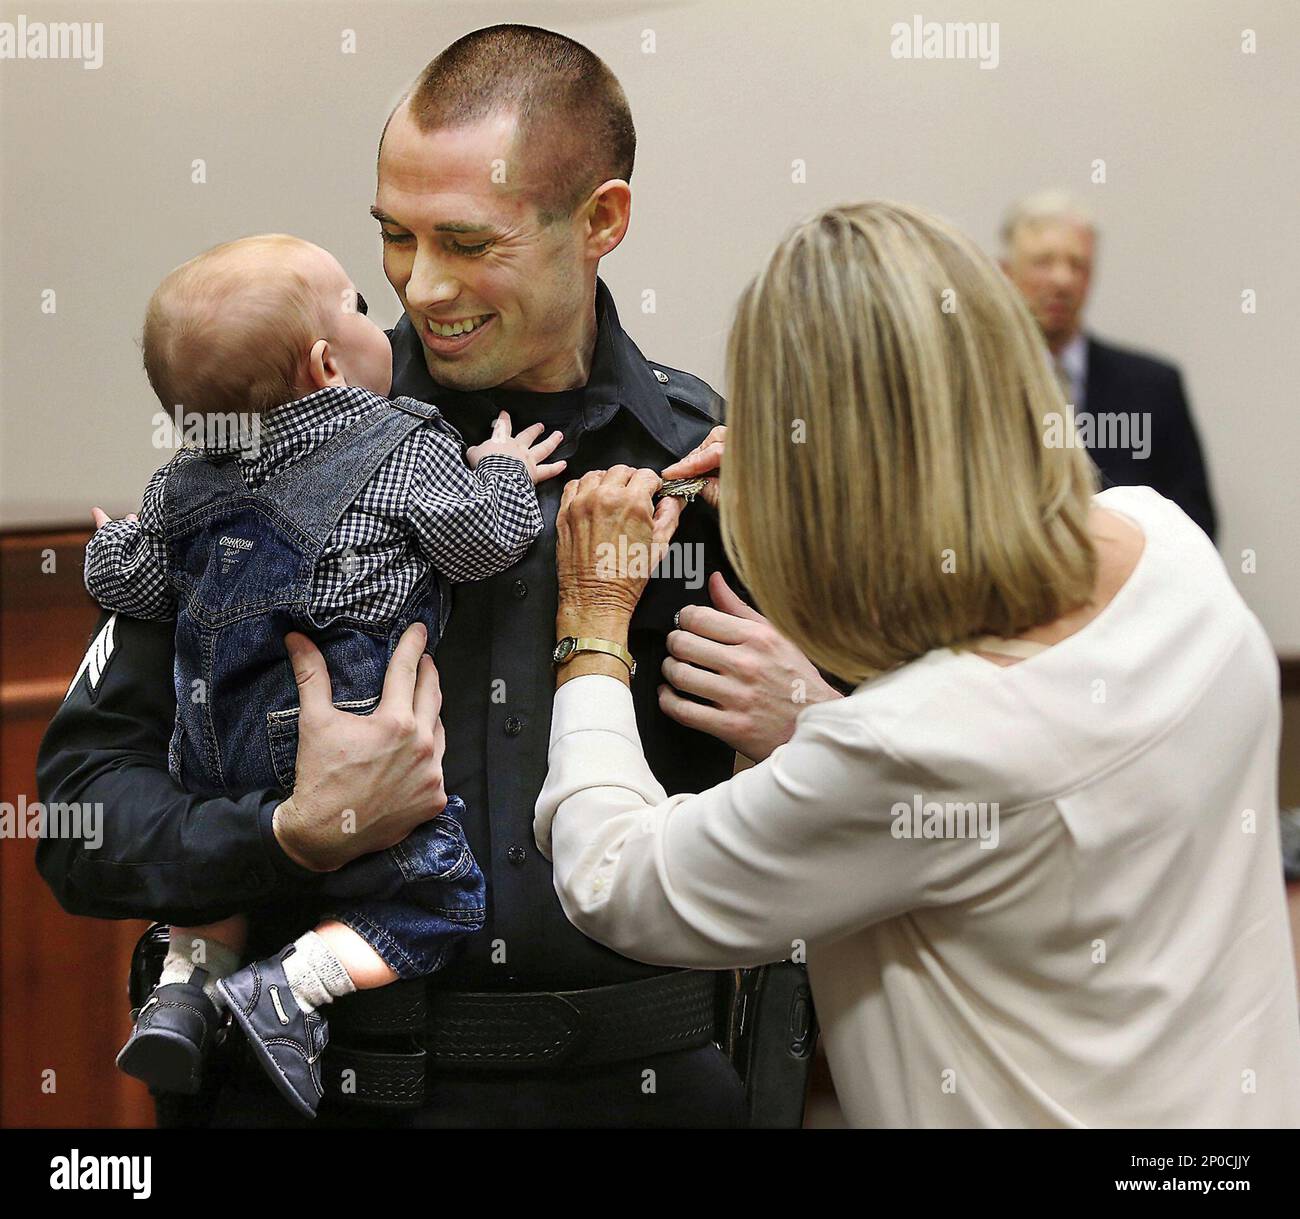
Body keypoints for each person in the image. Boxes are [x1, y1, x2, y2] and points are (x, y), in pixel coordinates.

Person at [38, 25, 822, 1127]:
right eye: (394, 238)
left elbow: (901, 797)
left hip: (640, 1092)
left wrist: (815, 719)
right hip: (316, 1089)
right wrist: (284, 835)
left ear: (600, 220)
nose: (420, 284)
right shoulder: (248, 446)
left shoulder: (715, 464)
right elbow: (79, 815)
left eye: (466, 240)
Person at [535, 201, 1300, 1127]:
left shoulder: (913, 749)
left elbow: (617, 878)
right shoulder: (1171, 550)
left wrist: (594, 627)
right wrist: (820, 707)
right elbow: (1035, 786)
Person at [83, 233, 564, 1117]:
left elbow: (133, 584)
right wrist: (501, 472)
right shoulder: (399, 444)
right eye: (360, 304)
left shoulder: (178, 485)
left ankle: (183, 992)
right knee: (438, 900)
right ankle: (290, 992)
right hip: (344, 746)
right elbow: (483, 540)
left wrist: (109, 544)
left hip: (214, 761)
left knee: (215, 879)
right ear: (326, 364)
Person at [1000, 190, 1218, 541]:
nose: (1062, 280)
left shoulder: (1154, 387)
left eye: (1077, 265)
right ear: (1006, 272)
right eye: (1043, 261)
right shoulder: (974, 385)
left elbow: (1196, 524)